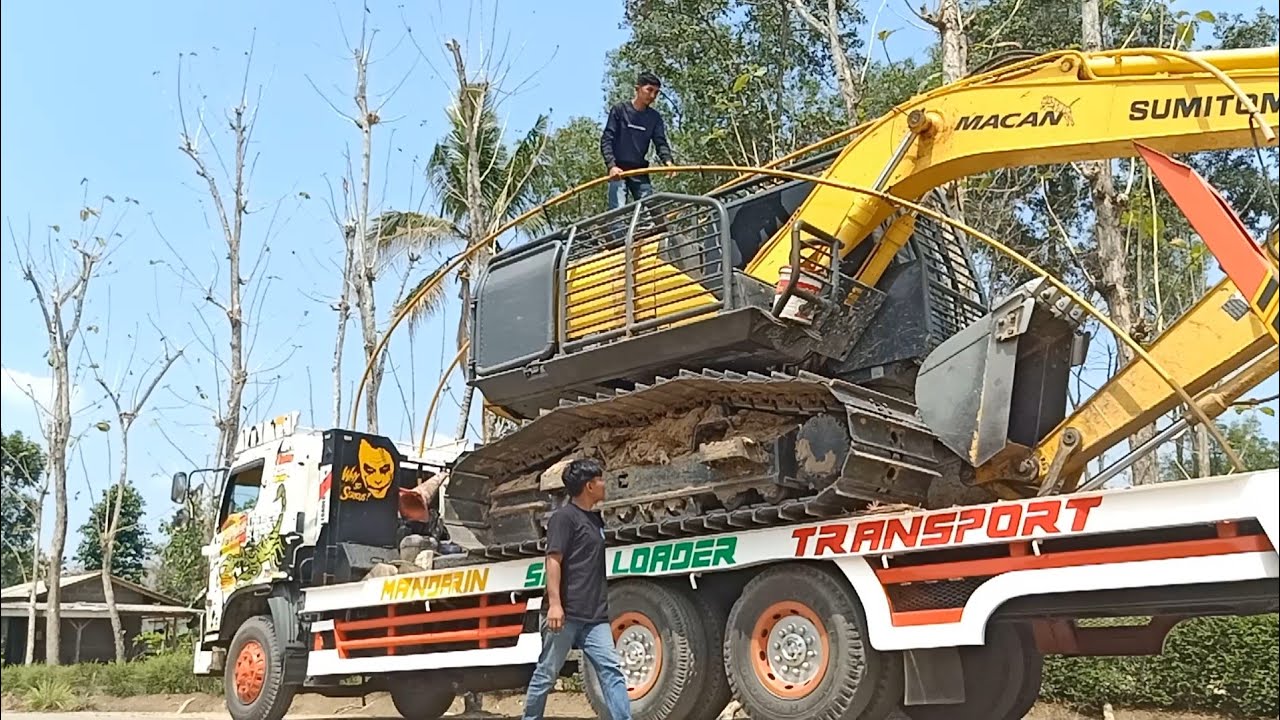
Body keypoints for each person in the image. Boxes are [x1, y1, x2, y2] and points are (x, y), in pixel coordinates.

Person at [520, 458, 631, 720]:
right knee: (547, 673)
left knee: (611, 671)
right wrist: (556, 605)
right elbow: (553, 561)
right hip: (566, 614)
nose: (606, 484)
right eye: (601, 480)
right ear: (589, 486)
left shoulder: (595, 520)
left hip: (595, 616)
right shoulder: (563, 518)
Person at [600, 71, 674, 210]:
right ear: (637, 89)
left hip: (639, 170)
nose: (652, 96)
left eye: (656, 93)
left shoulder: (654, 118)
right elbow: (607, 139)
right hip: (619, 170)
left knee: (649, 208)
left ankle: (650, 231)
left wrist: (668, 162)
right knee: (617, 210)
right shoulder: (619, 110)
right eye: (649, 90)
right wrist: (611, 166)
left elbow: (660, 142)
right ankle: (618, 231)